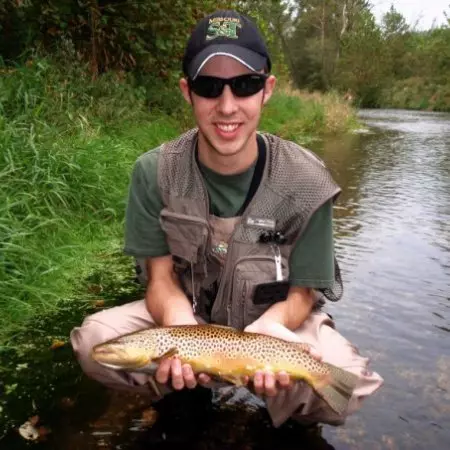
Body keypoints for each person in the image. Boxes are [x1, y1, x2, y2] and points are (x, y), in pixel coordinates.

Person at [70, 9, 383, 428]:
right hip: (189, 318)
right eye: (209, 86)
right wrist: (180, 329)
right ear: (187, 91)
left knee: (349, 386)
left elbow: (305, 293)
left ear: (267, 89)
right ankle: (183, 387)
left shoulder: (308, 179)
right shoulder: (154, 171)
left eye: (246, 85)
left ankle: (283, 408)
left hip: (270, 328)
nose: (227, 106)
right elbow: (160, 279)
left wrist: (268, 333)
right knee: (93, 342)